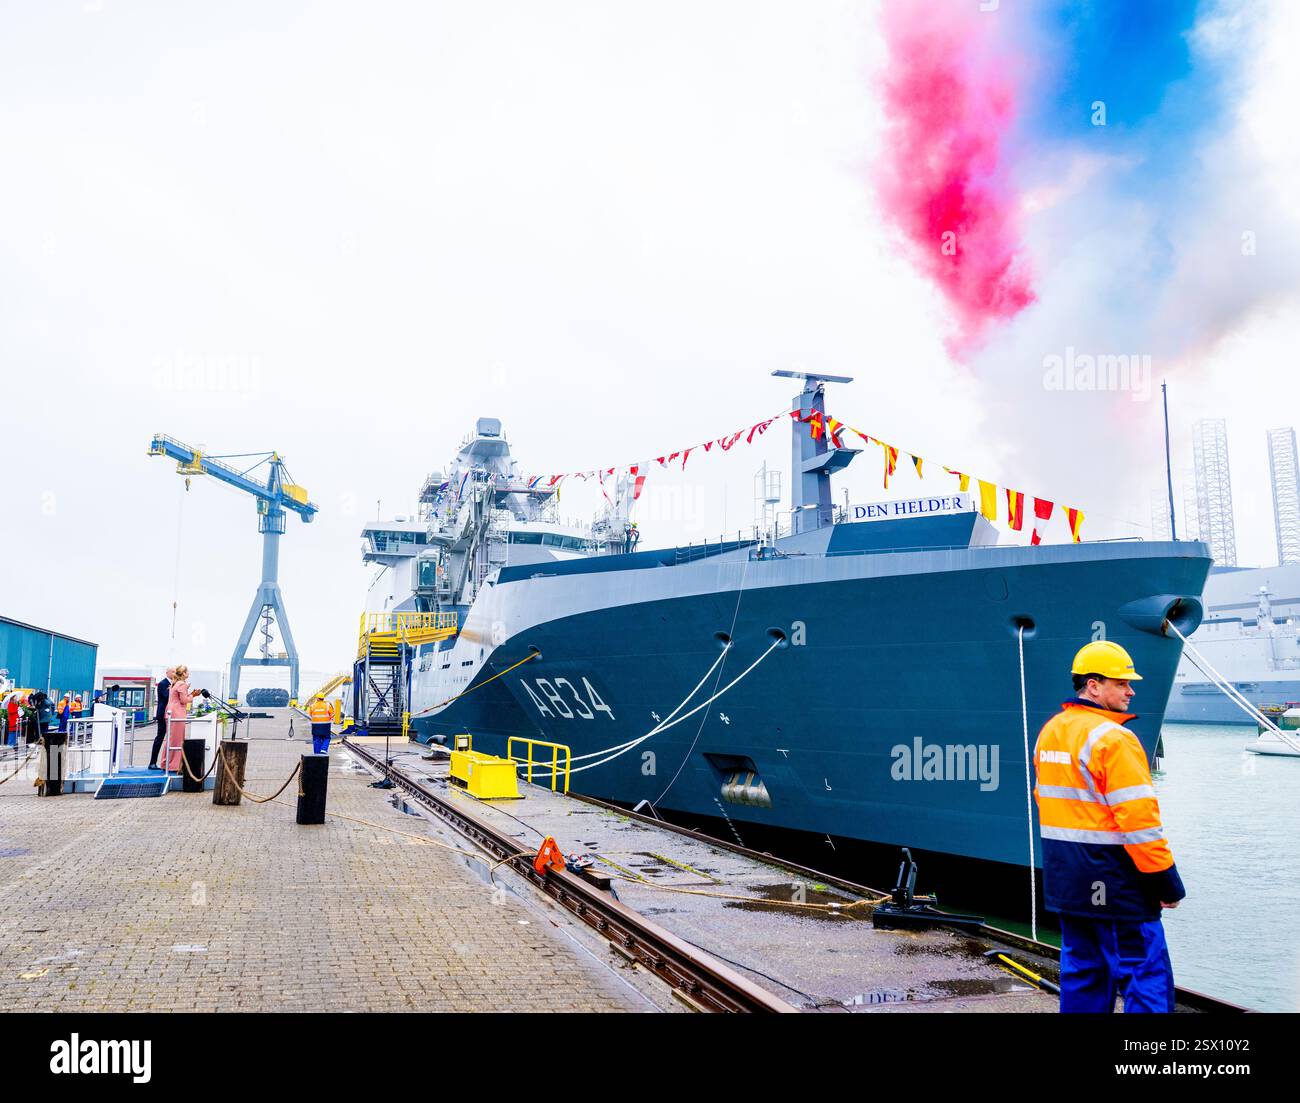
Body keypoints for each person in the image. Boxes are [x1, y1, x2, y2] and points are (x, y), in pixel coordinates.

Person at [1033, 640, 1186, 1013]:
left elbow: (1049, 803)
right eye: (1121, 683)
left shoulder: (1051, 732)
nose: (1131, 691)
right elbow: (1140, 823)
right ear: (1093, 685)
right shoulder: (1113, 739)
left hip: (1067, 881)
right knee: (1143, 977)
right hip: (1115, 886)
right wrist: (1167, 882)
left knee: (1083, 974)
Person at [162, 665, 195, 773]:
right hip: (177, 713)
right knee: (177, 739)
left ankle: (165, 762)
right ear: (184, 673)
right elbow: (184, 700)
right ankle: (174, 765)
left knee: (170, 738)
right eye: (187, 671)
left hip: (170, 711)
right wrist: (193, 695)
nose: (188, 673)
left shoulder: (174, 683)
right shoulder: (181, 684)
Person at [148, 668, 175, 770]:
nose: (174, 674)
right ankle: (152, 762)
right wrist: (173, 688)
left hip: (170, 714)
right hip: (163, 713)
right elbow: (168, 696)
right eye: (172, 672)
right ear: (167, 673)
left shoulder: (171, 684)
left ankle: (169, 762)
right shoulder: (163, 684)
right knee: (160, 737)